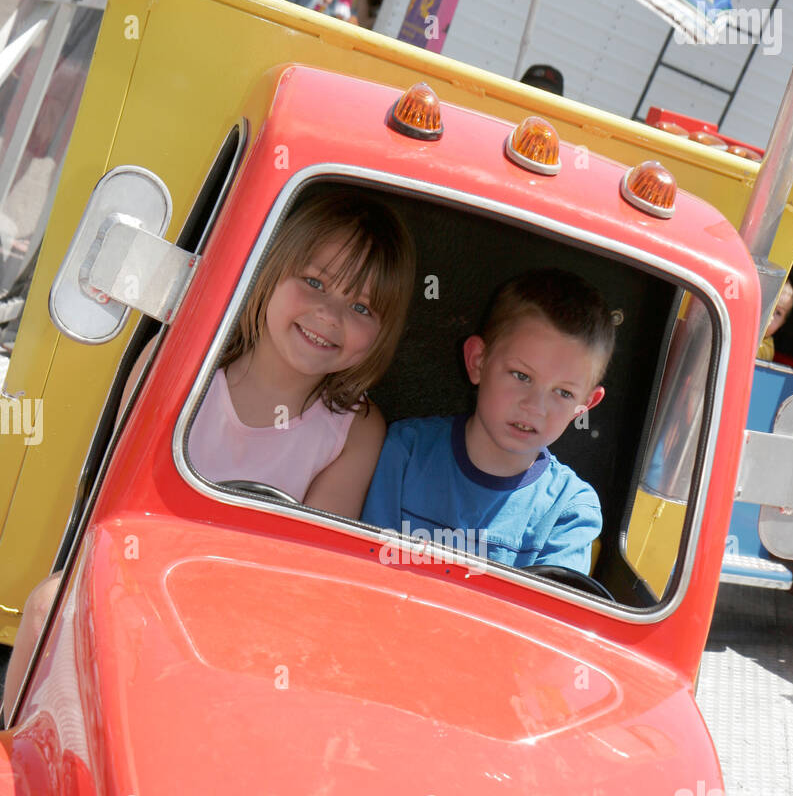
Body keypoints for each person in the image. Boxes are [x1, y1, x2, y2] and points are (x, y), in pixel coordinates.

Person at [2, 186, 416, 721]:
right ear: (270, 272)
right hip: (137, 588)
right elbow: (115, 510)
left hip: (245, 626)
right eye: (313, 283)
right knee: (45, 608)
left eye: (361, 307)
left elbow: (307, 570)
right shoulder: (174, 365)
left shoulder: (354, 431)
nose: (329, 314)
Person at [362, 270, 613, 573]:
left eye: (563, 392)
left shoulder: (569, 510)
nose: (535, 406)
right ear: (477, 361)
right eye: (521, 376)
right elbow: (366, 571)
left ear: (584, 406)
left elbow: (544, 620)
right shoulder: (406, 452)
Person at [757, 280, 793, 361]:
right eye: (767, 303)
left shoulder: (766, 348)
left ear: (782, 323)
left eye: (778, 313)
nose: (769, 315)